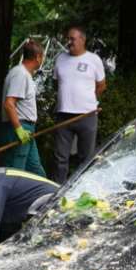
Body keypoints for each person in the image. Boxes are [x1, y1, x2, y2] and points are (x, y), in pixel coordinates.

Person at [52, 25, 106, 181]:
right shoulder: (60, 59)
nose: (69, 42)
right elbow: (56, 84)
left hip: (87, 115)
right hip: (63, 115)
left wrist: (88, 100)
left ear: (83, 40)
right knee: (60, 158)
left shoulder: (93, 60)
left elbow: (102, 85)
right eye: (68, 38)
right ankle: (57, 191)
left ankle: (83, 189)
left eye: (72, 38)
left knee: (86, 158)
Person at [1, 39, 47, 177]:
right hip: (19, 128)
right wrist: (19, 130)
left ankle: (48, 197)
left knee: (36, 171)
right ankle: (11, 198)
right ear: (38, 57)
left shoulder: (23, 74)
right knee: (16, 173)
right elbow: (9, 104)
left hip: (27, 130)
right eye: (42, 57)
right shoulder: (20, 74)